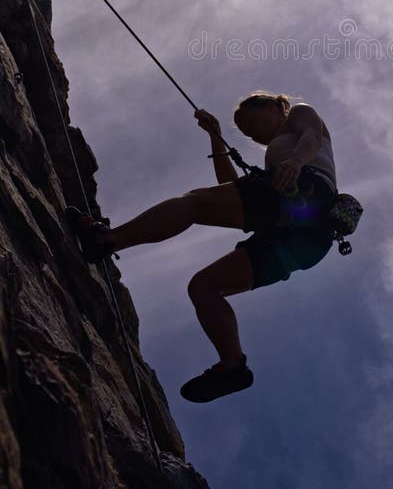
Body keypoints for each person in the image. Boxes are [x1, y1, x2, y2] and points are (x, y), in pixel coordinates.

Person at [66, 92, 338, 402]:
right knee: (204, 286)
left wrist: (295, 161)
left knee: (193, 203)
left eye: (252, 120)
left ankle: (105, 239)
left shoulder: (299, 115)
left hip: (306, 194)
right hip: (306, 240)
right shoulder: (276, 159)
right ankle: (232, 364)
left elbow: (312, 137)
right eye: (246, 131)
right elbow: (228, 188)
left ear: (276, 107)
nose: (251, 132)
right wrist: (216, 137)